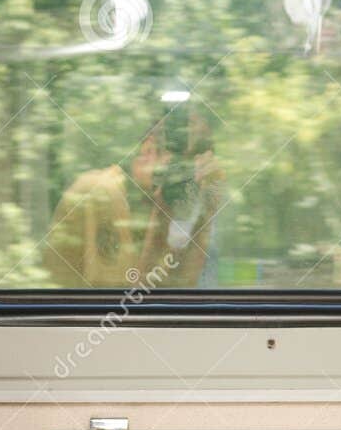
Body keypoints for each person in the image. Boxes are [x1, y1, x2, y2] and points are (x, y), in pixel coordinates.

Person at [43, 102, 225, 289]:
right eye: (182, 165)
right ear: (148, 150)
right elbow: (134, 296)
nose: (187, 181)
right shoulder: (100, 193)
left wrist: (205, 211)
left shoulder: (156, 207)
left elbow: (175, 289)